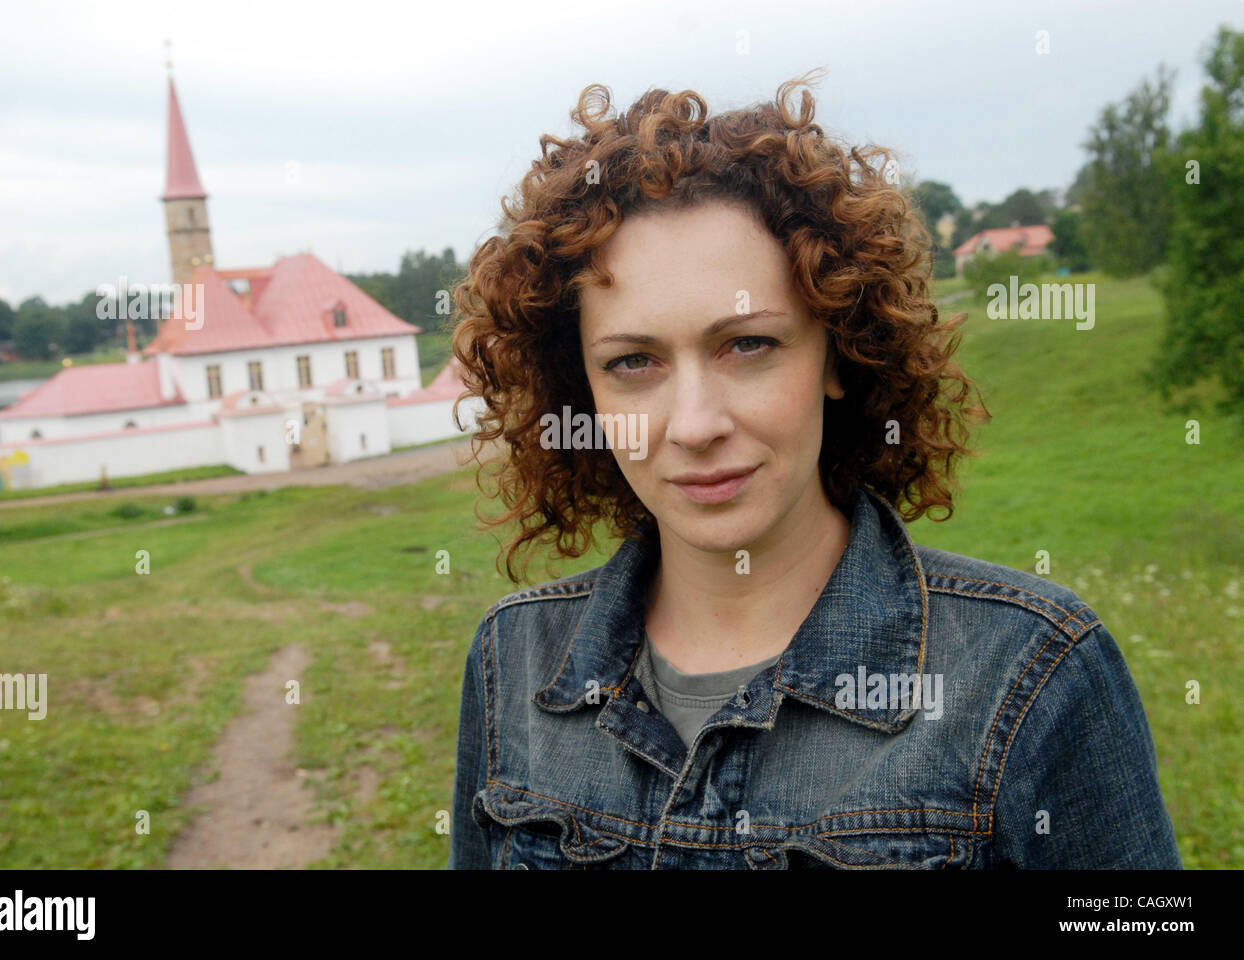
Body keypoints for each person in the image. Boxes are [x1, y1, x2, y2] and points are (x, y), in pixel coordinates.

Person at [445, 72, 1182, 869]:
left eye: (748, 345)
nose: (694, 425)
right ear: (578, 384)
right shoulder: (510, 658)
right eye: (632, 361)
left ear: (837, 349)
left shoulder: (1032, 673)